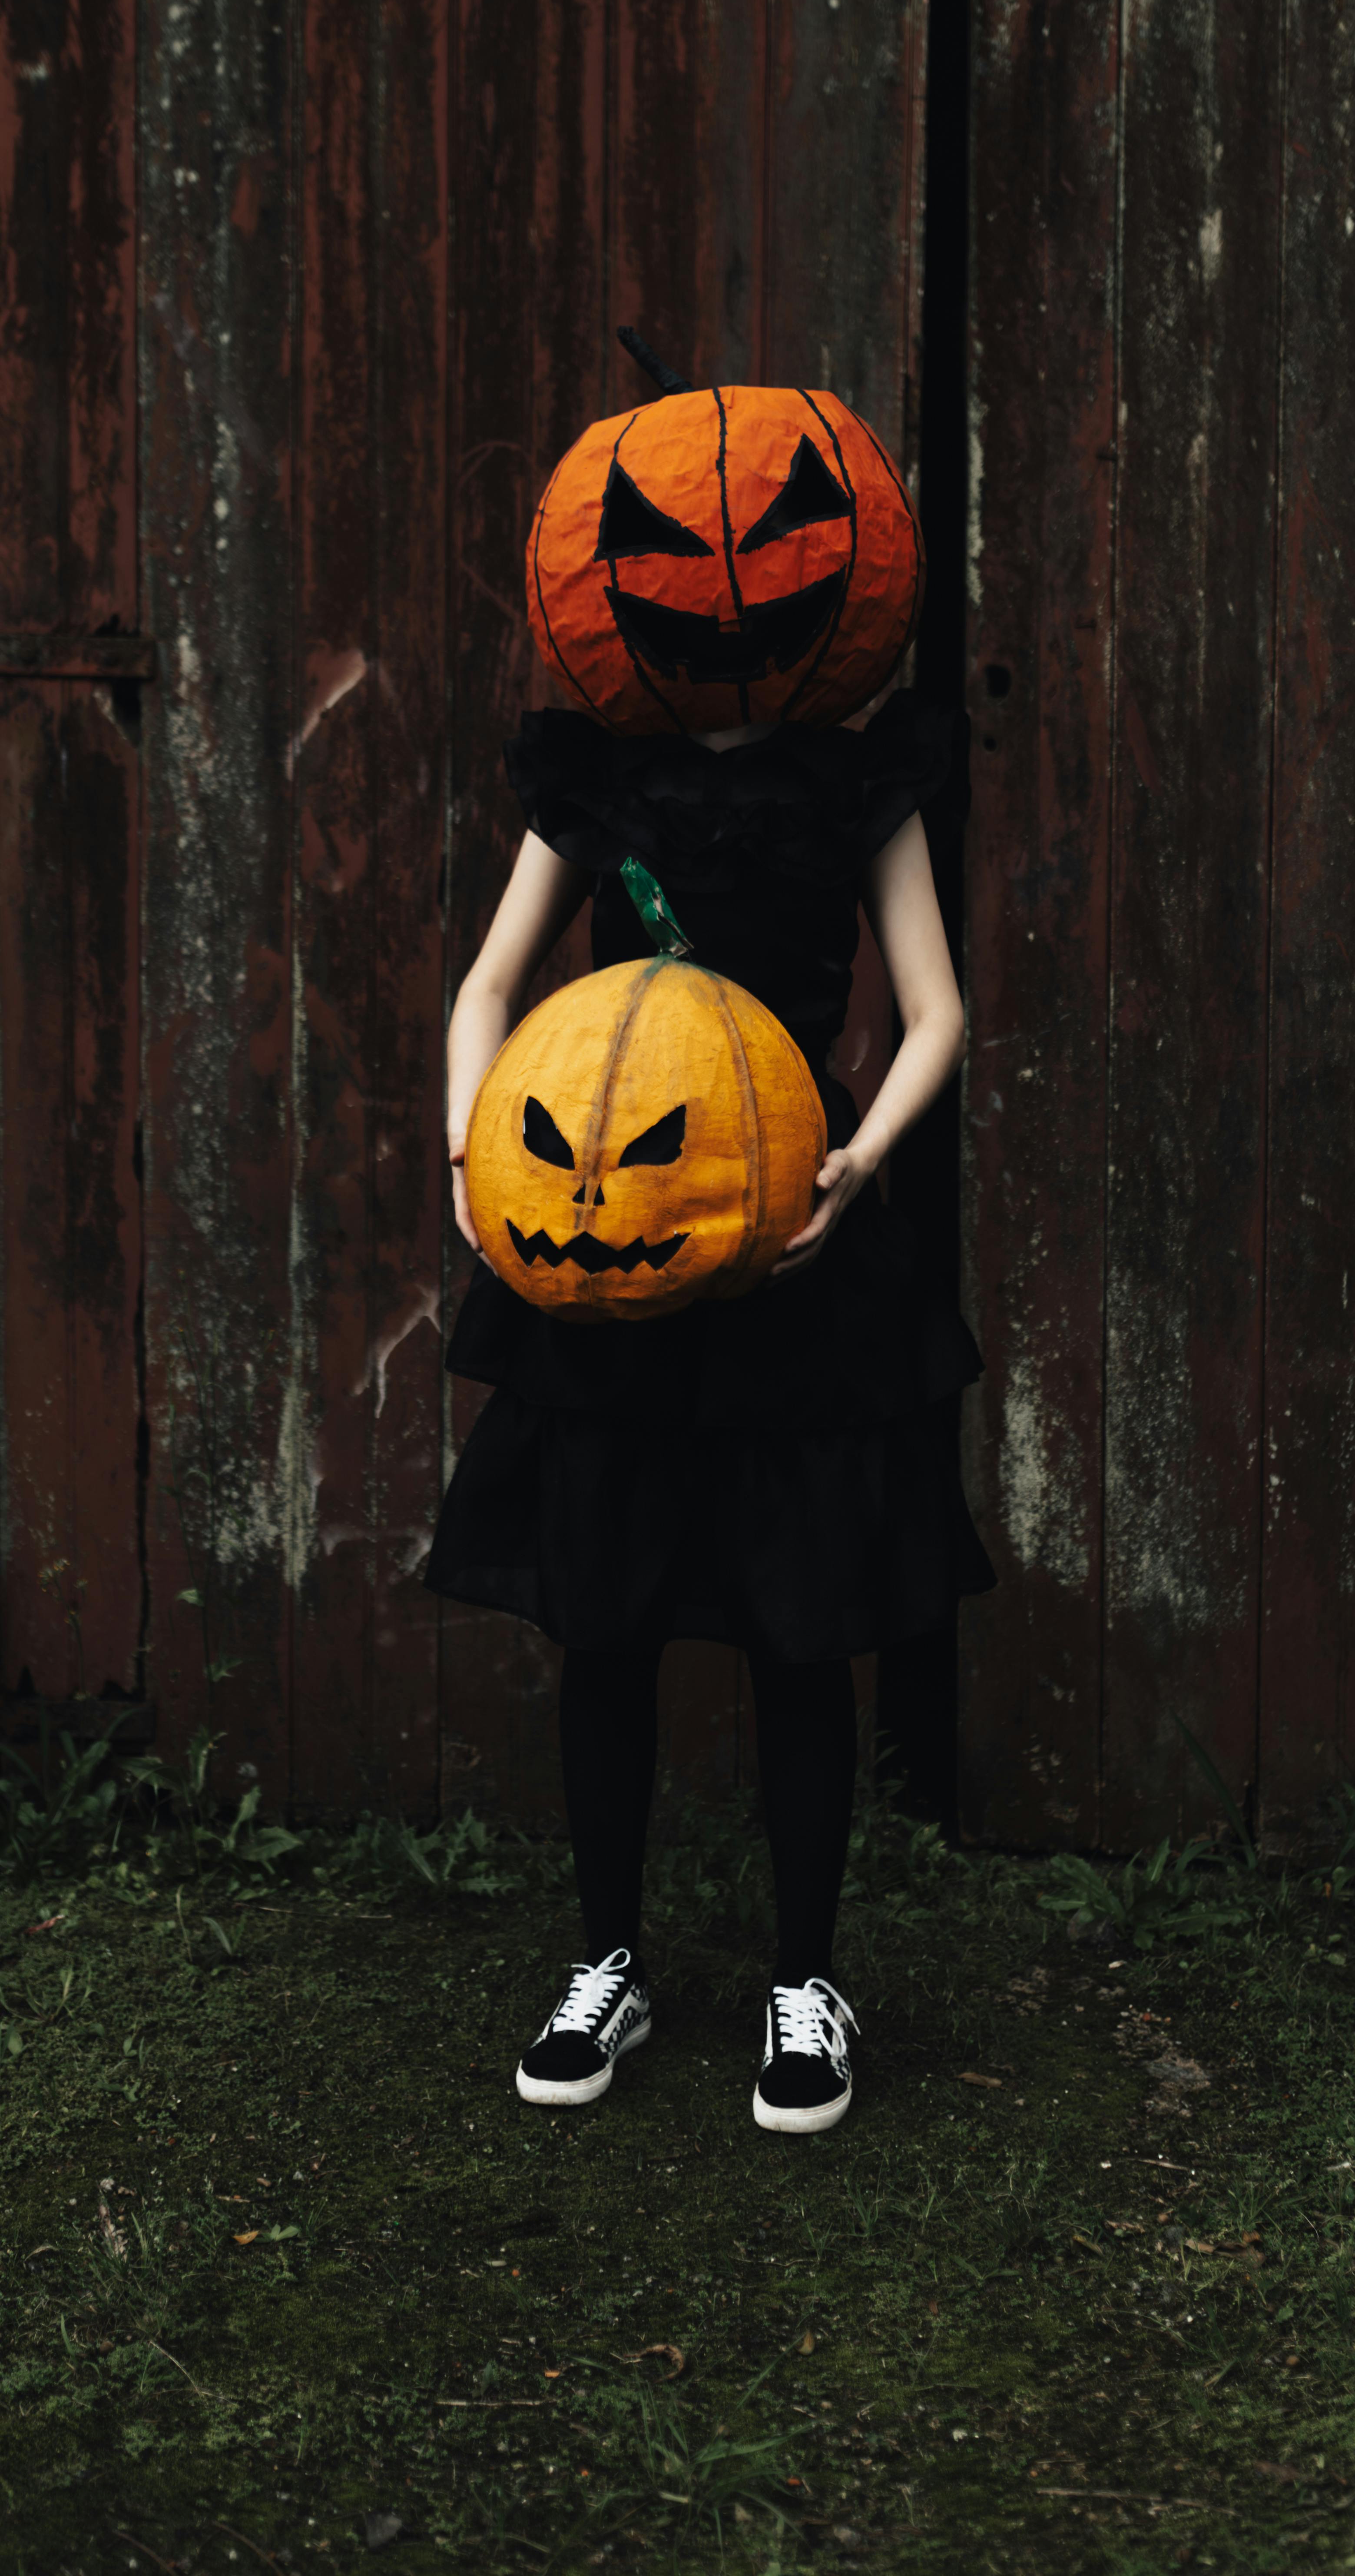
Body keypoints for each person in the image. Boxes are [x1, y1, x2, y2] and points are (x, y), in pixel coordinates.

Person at [424, 671, 992, 2135]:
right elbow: (489, 987)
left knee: (800, 1634)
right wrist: (473, 1165)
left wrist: (854, 1166)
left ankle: (808, 1988)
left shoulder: (856, 788)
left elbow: (937, 1013)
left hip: (795, 1258)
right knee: (603, 1622)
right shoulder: (606, 783)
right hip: (613, 1261)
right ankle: (606, 1961)